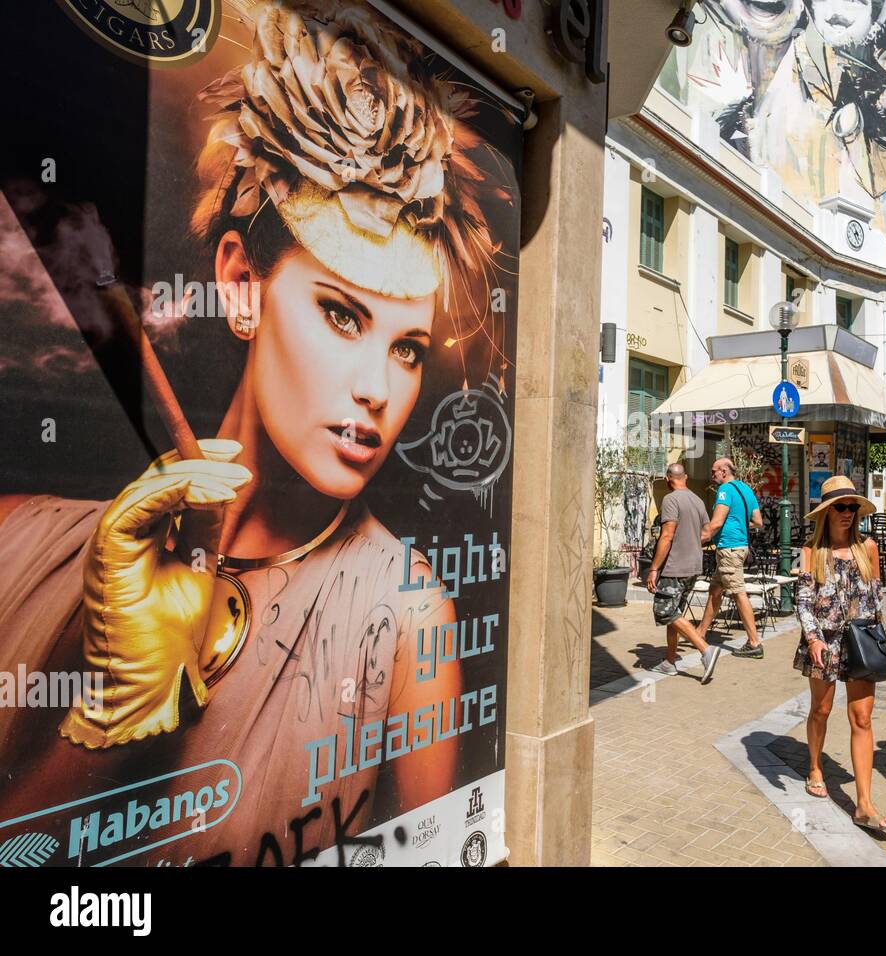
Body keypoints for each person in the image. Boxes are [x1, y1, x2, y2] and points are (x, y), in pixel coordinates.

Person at [0, 0, 511, 864]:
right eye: (342, 315)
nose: (376, 389)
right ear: (240, 283)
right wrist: (113, 723)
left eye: (408, 347)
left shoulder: (407, 618)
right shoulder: (20, 538)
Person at [792, 475, 886, 833]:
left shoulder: (869, 548)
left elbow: (878, 598)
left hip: (861, 644)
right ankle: (816, 766)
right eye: (841, 507)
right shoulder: (811, 552)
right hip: (824, 643)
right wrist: (815, 639)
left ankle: (864, 803)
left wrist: (877, 637)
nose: (848, 513)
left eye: (853, 507)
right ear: (826, 512)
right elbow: (803, 603)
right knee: (821, 710)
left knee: (862, 719)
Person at [644, 463, 723, 682]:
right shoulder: (697, 500)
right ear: (685, 477)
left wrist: (653, 568)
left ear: (669, 478)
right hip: (693, 565)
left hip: (674, 566)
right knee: (675, 612)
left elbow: (667, 535)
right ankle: (670, 661)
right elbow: (707, 532)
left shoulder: (671, 499)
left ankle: (705, 649)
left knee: (664, 611)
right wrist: (691, 544)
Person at [698, 458, 765, 658]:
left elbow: (716, 523)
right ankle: (700, 633)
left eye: (714, 472)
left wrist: (697, 539)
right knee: (715, 590)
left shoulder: (725, 490)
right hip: (740, 547)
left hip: (729, 549)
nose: (712, 476)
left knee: (737, 592)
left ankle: (754, 643)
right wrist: (737, 523)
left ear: (724, 471)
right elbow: (758, 522)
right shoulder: (746, 489)